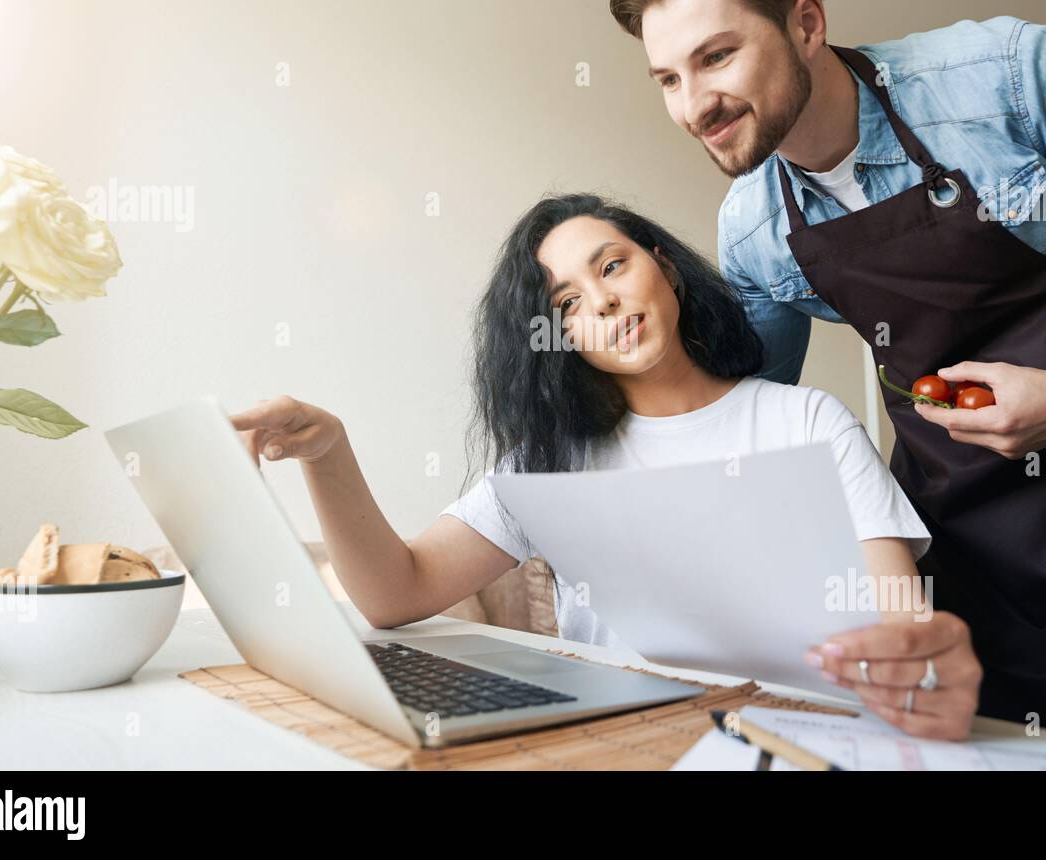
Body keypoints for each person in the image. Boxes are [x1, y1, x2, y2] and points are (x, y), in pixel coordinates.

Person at [604, 0, 1046, 762]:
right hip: (979, 570)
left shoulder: (1017, 79)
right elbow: (749, 424)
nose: (694, 107)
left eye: (716, 57)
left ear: (807, 22)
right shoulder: (753, 228)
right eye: (667, 79)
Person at [230, 193, 983, 740]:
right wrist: (330, 455)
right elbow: (397, 592)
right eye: (568, 302)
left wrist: (927, 673)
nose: (604, 301)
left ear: (663, 265)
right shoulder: (552, 462)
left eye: (612, 265)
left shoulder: (805, 420)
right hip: (624, 747)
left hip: (803, 739)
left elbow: (902, 623)